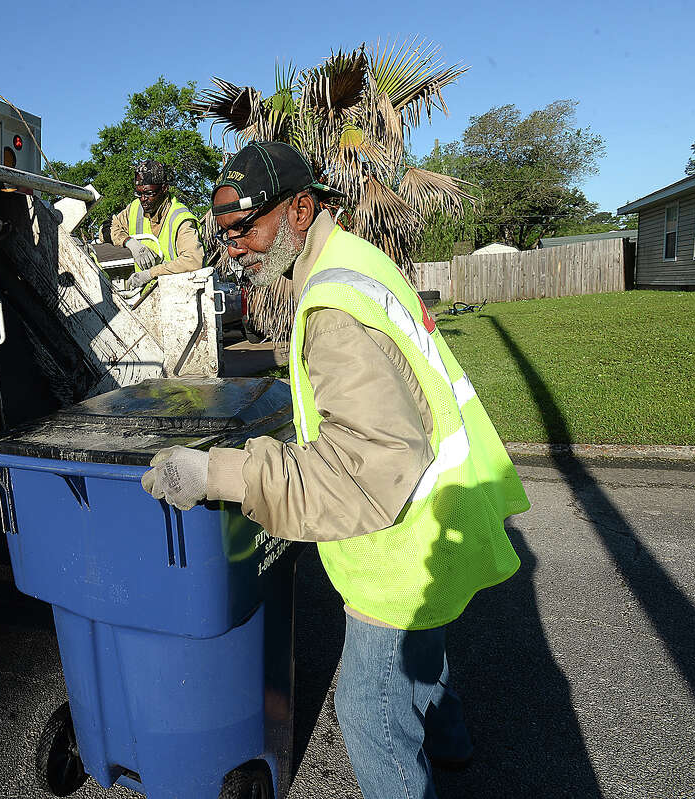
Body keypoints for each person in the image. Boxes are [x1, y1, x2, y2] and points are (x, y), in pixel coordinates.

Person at [140, 141, 529, 799]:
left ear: (299, 208)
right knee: (423, 664)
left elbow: (362, 472)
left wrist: (215, 475)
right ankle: (453, 742)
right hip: (447, 512)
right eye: (225, 234)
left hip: (403, 545)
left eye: (244, 228)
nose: (233, 248)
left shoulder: (332, 303)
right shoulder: (354, 260)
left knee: (371, 716)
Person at [108, 160, 204, 290]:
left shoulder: (180, 219)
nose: (143, 199)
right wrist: (130, 243)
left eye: (149, 193)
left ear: (164, 188)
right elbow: (112, 227)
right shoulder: (134, 208)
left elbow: (193, 260)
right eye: (139, 193)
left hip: (181, 297)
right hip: (148, 300)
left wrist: (151, 273)